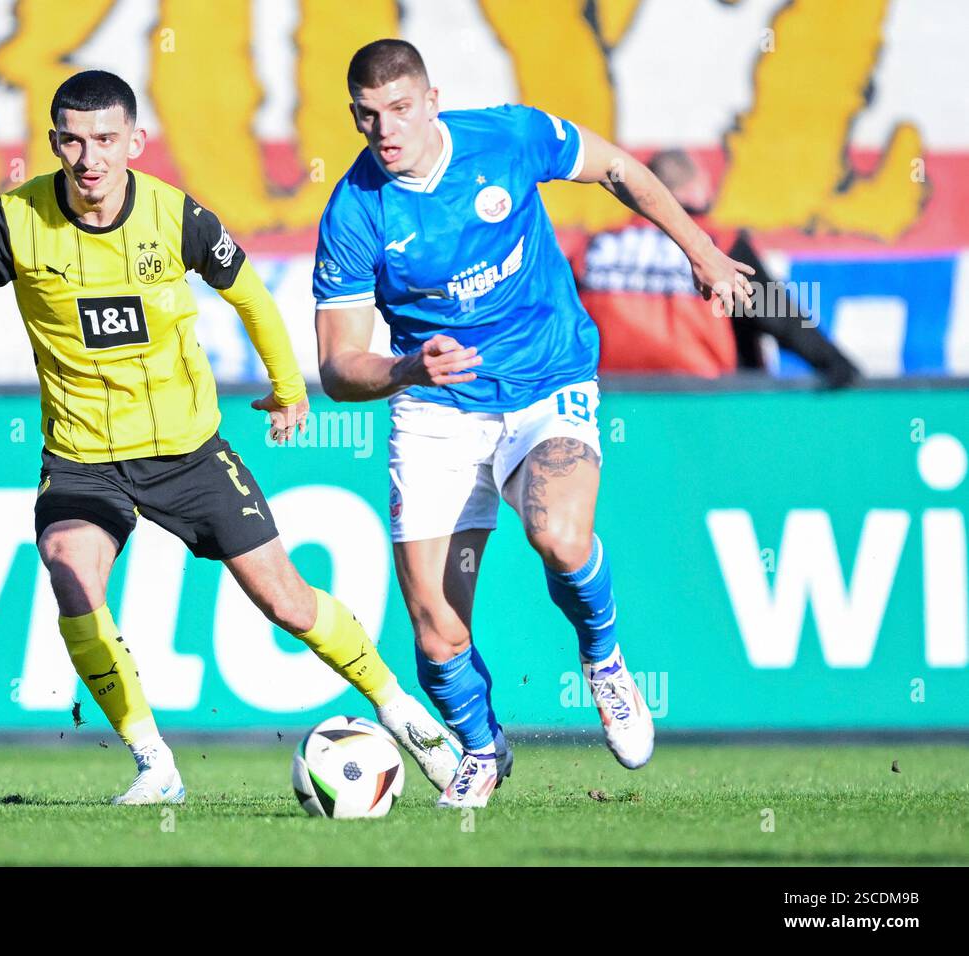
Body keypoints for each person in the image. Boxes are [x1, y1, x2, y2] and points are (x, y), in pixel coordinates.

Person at [0, 69, 461, 805]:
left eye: (106, 140)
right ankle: (155, 763)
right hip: (83, 457)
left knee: (286, 602)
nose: (89, 159)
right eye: (73, 141)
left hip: (187, 449)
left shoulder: (176, 217)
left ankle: (404, 714)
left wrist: (286, 386)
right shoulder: (12, 223)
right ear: (54, 144)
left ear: (134, 143)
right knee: (69, 569)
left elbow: (248, 293)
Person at [314, 40, 756, 808]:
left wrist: (702, 252)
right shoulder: (354, 211)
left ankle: (606, 662)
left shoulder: (508, 138)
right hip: (435, 405)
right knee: (436, 632)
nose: (384, 130)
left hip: (546, 378)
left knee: (558, 533)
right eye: (367, 115)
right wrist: (405, 369)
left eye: (399, 110)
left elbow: (620, 167)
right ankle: (483, 750)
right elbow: (338, 365)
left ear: (432, 100)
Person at [576, 148, 860, 386]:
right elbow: (774, 314)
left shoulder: (596, 244)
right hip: (709, 400)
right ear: (694, 187)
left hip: (614, 395)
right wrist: (837, 366)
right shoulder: (716, 243)